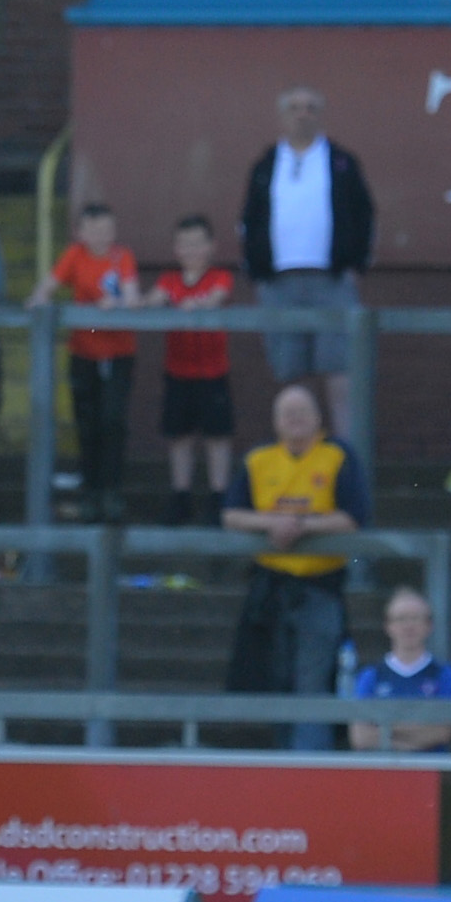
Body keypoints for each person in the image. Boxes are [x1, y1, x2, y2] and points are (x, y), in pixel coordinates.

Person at [223, 382, 369, 753]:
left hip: (319, 587)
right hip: (269, 588)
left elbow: (353, 517)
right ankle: (282, 764)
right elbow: (231, 515)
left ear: (318, 417)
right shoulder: (259, 460)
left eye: (303, 411)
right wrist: (271, 524)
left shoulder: (337, 456)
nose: (296, 419)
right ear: (276, 422)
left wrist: (302, 527)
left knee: (313, 683)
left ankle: (309, 769)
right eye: (288, 414)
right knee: (275, 679)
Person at [238, 85, 374, 438]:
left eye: (311, 107)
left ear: (321, 114)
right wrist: (256, 268)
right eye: (295, 107)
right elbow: (250, 217)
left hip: (331, 279)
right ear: (282, 115)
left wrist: (354, 263)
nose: (303, 114)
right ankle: (297, 462)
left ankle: (346, 460)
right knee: (290, 375)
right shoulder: (267, 164)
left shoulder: (341, 161)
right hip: (278, 282)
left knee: (340, 372)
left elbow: (364, 214)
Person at [32, 201, 138, 521]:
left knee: (113, 421)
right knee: (87, 424)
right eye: (94, 229)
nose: (102, 236)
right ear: (82, 231)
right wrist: (36, 304)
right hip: (83, 351)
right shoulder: (75, 255)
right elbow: (47, 288)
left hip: (118, 353)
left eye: (107, 229)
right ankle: (90, 492)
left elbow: (132, 300)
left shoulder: (123, 257)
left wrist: (116, 303)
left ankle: (111, 491)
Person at [145, 213, 234, 523]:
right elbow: (151, 302)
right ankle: (180, 497)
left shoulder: (220, 277)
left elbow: (216, 298)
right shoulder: (168, 280)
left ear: (211, 246)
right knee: (179, 436)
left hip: (213, 373)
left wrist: (197, 305)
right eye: (185, 244)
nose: (192, 250)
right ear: (176, 249)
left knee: (216, 437)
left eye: (198, 243)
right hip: (178, 372)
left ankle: (217, 497)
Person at [346, 585, 451, 754]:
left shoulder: (446, 674)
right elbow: (360, 737)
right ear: (388, 626)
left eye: (415, 618)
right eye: (401, 619)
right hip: (382, 771)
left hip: (429, 773)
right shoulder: (371, 676)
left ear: (429, 625)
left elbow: (442, 732)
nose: (408, 626)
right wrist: (411, 743)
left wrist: (385, 727)